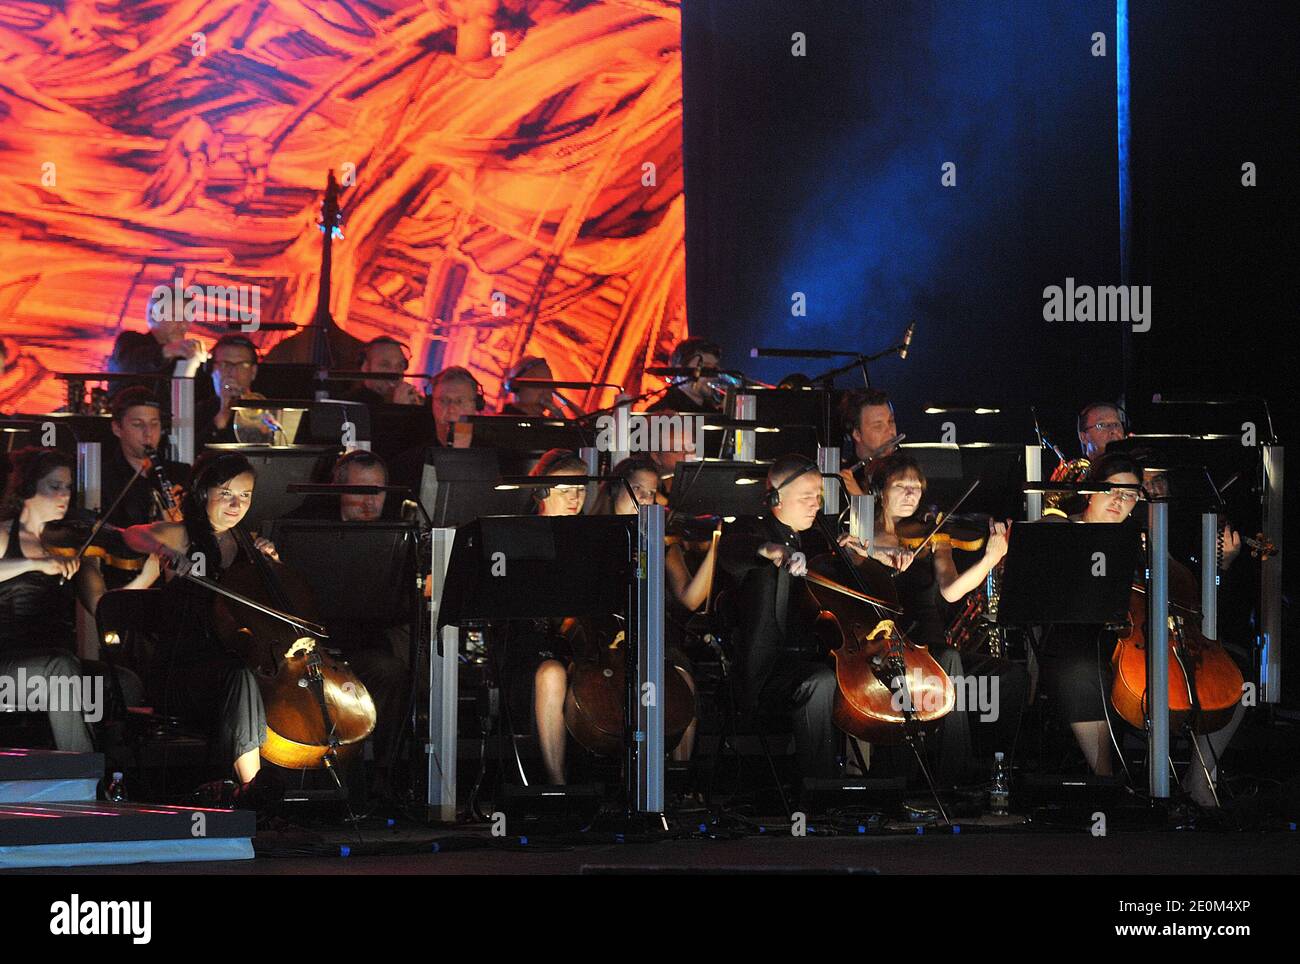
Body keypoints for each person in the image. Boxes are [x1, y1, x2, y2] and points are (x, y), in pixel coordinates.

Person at [841, 452, 1028, 784]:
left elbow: (951, 590)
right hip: (888, 654)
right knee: (949, 661)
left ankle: (993, 773)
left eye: (916, 487)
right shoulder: (862, 533)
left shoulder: (934, 537)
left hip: (932, 648)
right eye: (901, 486)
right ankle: (952, 779)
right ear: (880, 491)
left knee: (1010, 676)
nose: (911, 494)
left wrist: (990, 558)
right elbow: (852, 557)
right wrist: (880, 553)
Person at [122, 453, 281, 794]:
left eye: (245, 495)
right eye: (226, 493)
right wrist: (164, 550)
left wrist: (271, 567)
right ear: (203, 492)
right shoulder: (182, 535)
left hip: (232, 666)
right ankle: (250, 788)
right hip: (181, 674)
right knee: (240, 676)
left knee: (250, 677)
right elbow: (131, 535)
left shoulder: (249, 545)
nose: (237, 504)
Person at [717, 455, 840, 781]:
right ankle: (820, 788)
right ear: (776, 498)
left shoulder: (816, 538)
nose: (816, 504)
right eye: (806, 497)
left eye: (818, 496)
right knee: (821, 682)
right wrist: (771, 550)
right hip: (763, 674)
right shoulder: (751, 529)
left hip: (809, 659)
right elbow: (732, 551)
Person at [593, 456, 704, 762]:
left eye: (651, 492)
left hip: (653, 640)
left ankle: (679, 775)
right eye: (637, 489)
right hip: (604, 640)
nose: (643, 498)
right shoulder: (594, 536)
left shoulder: (661, 543)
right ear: (615, 490)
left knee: (682, 680)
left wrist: (716, 542)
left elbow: (690, 598)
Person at [0, 448, 97, 752]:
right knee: (61, 670)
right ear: (28, 487)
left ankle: (111, 769)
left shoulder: (65, 544)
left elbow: (101, 607)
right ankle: (82, 774)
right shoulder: (4, 536)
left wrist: (148, 572)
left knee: (125, 683)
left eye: (68, 487)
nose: (64, 495)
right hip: (8, 664)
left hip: (55, 661)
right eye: (55, 486)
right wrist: (34, 564)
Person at [196, 334, 260, 447]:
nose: (232, 372)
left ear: (253, 372)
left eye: (242, 365)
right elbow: (193, 451)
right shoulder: (197, 412)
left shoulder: (265, 410)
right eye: (224, 364)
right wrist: (223, 413)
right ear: (212, 369)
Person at [837, 387, 902, 498]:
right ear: (857, 434)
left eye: (891, 421)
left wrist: (859, 497)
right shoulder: (844, 477)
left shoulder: (906, 469)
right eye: (878, 426)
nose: (890, 431)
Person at [648, 337, 724, 414]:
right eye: (705, 369)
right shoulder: (659, 413)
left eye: (715, 369)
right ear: (680, 372)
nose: (714, 375)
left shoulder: (713, 412)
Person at [343, 337, 423, 406]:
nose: (394, 372)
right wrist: (399, 409)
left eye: (400, 365)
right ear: (365, 367)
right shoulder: (350, 404)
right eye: (385, 365)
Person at [500, 356, 584, 418]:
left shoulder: (548, 426)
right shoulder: (501, 425)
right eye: (538, 385)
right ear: (514, 387)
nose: (546, 393)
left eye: (549, 386)